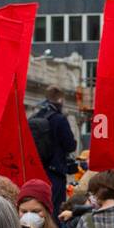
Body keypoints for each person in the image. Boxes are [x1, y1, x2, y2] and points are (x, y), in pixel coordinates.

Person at [28, 85, 77, 219]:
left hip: (38, 170)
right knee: (54, 209)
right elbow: (70, 145)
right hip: (56, 171)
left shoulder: (35, 117)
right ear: (60, 100)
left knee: (39, 205)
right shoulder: (59, 119)